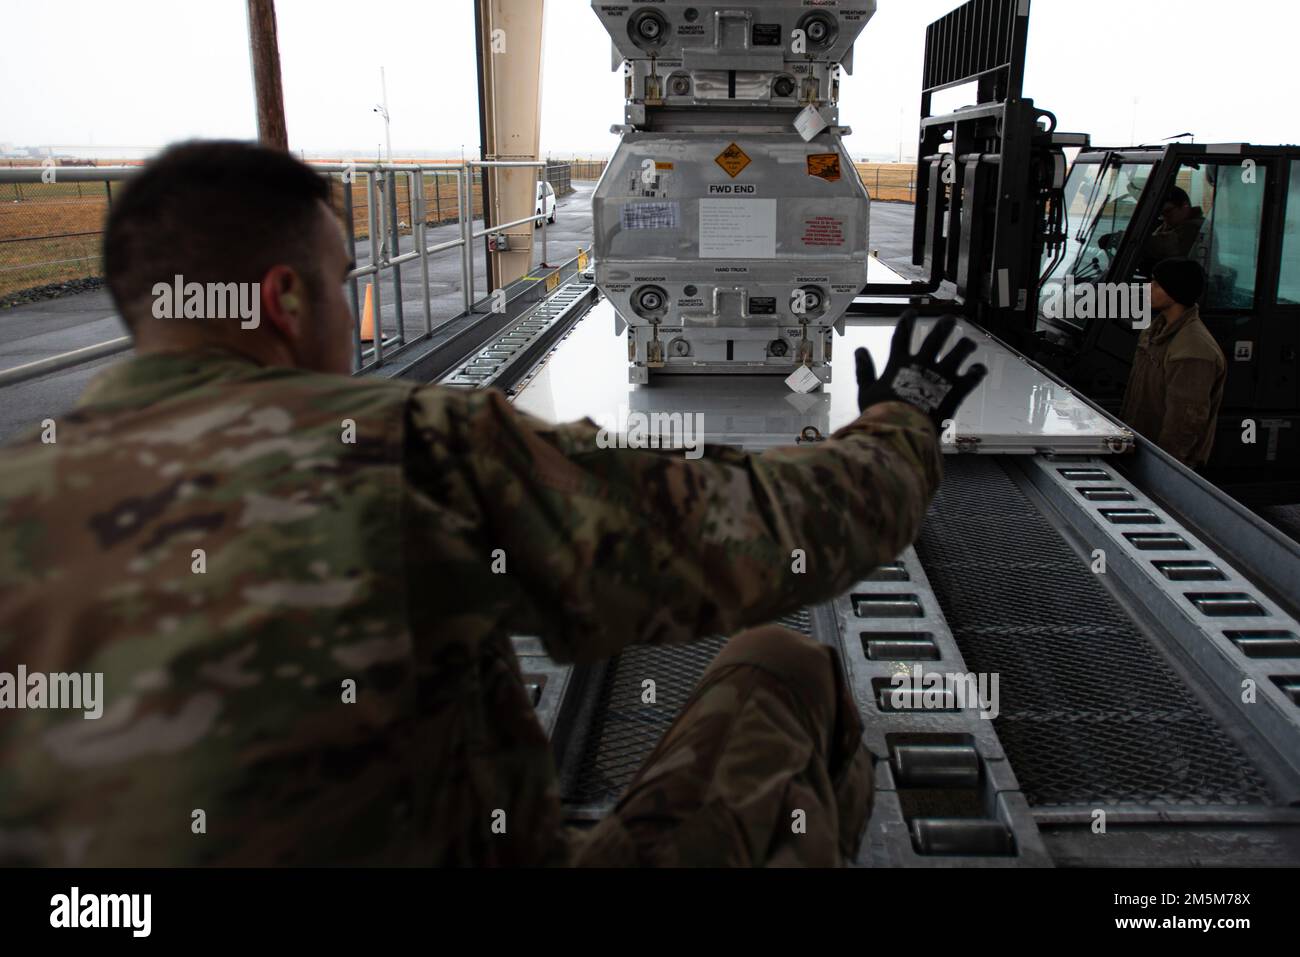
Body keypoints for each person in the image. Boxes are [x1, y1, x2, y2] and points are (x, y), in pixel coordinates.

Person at [0, 141, 985, 867]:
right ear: (285, 301)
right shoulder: (410, 447)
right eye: (348, 282)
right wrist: (902, 422)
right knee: (782, 664)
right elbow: (765, 535)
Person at [1121, 258, 1225, 468]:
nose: (1148, 287)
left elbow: (1185, 423)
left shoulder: (1193, 349)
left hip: (1162, 462)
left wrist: (1166, 468)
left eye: (1157, 284)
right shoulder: (1154, 331)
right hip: (1142, 449)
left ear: (1176, 292)